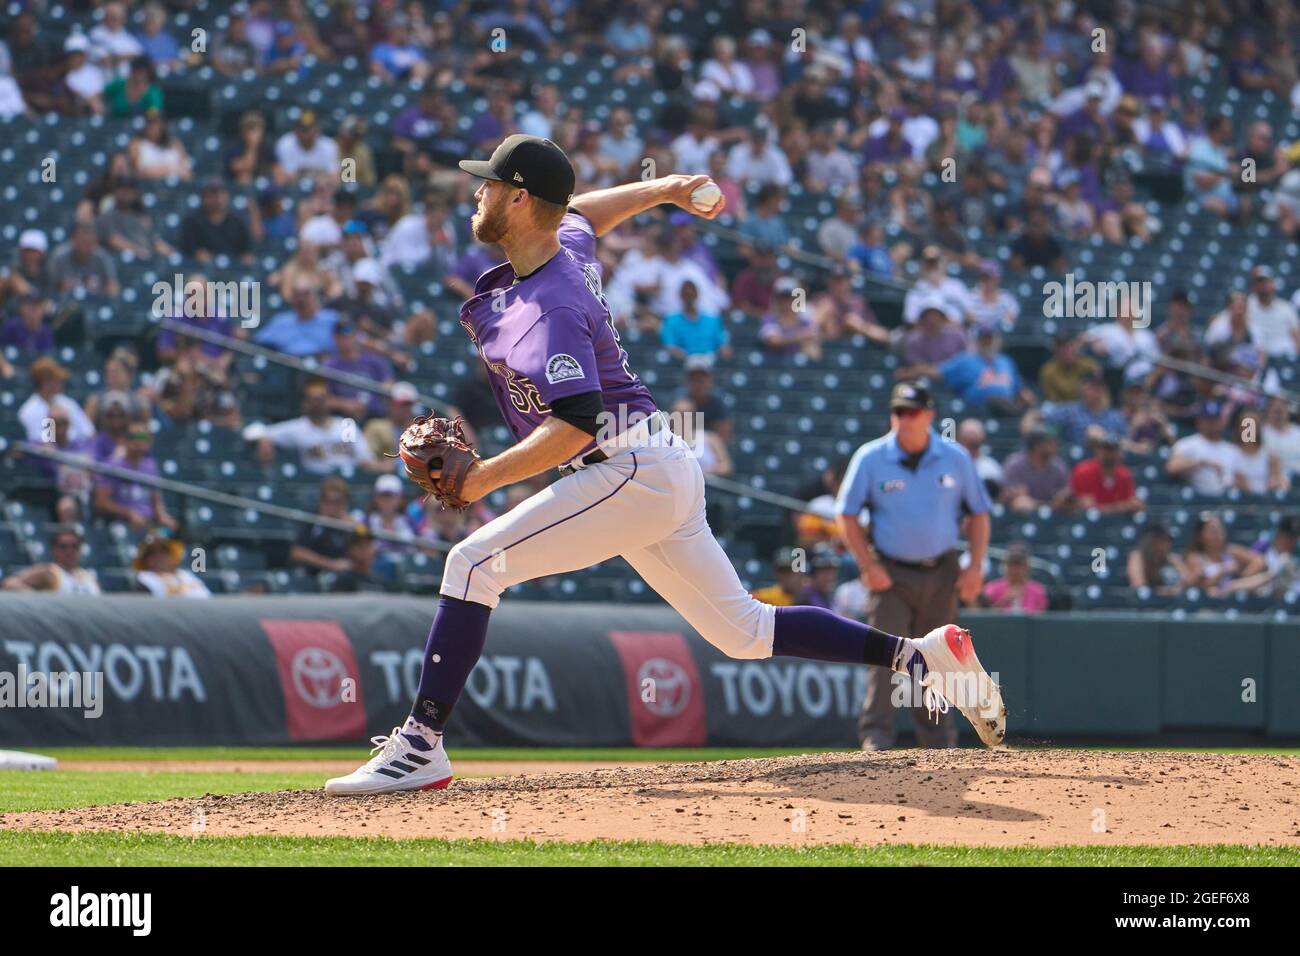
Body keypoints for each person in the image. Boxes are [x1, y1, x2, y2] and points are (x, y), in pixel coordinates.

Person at [326, 136, 1004, 794]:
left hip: (625, 466)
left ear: (522, 199)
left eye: (490, 183)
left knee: (471, 565)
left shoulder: (555, 305)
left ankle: (420, 744)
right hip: (650, 464)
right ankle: (924, 654)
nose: (477, 192)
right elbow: (588, 211)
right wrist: (669, 189)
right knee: (744, 632)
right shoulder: (562, 242)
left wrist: (479, 481)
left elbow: (575, 426)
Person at [834, 380, 995, 752]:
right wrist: (867, 563)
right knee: (885, 656)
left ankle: (940, 744)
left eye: (912, 412)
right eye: (898, 412)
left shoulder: (955, 457)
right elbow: (846, 515)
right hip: (891, 574)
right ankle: (876, 739)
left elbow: (980, 514)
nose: (904, 419)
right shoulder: (871, 457)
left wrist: (975, 568)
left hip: (942, 571)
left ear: (929, 415)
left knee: (940, 661)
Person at [250, 378, 386, 475]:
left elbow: (366, 460)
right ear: (305, 403)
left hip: (347, 483)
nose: (317, 403)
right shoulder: (298, 427)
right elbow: (257, 432)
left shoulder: (346, 426)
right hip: (315, 483)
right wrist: (264, 440)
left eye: (321, 399)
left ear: (329, 400)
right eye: (312, 399)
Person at [1167, 401, 1241, 496]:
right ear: (1199, 420)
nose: (1212, 423)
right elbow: (1171, 467)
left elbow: (1240, 478)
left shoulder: (1233, 449)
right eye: (1208, 419)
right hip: (1196, 499)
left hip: (1226, 499)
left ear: (1222, 421)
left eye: (1215, 419)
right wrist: (1201, 462)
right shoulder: (1187, 443)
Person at [1182, 513, 1266, 597]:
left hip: (1235, 594)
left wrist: (1243, 575)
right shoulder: (1195, 557)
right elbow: (1200, 584)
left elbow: (1258, 560)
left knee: (1263, 578)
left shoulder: (1231, 551)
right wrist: (1223, 570)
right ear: (1200, 536)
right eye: (1212, 531)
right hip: (1208, 602)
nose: (1218, 534)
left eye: (1220, 529)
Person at [1, 526, 101, 595]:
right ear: (54, 549)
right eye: (63, 547)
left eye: (74, 546)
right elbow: (9, 584)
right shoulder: (48, 572)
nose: (69, 551)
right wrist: (38, 598)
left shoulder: (89, 577)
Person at [1070, 431, 1143, 513]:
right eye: (1106, 449)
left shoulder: (1125, 475)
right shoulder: (1082, 471)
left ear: (1120, 453)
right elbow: (1080, 505)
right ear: (1098, 451)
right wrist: (1121, 506)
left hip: (1117, 523)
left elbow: (1133, 504)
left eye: (1113, 450)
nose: (1109, 454)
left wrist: (1103, 508)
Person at [133, 533, 211, 599]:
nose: (160, 556)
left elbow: (206, 596)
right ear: (145, 558)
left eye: (165, 551)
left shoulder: (185, 575)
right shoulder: (145, 578)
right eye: (152, 552)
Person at [980, 542, 1048, 613]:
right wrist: (1003, 601)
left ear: (1026, 567)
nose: (1015, 569)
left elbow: (1041, 616)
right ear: (1005, 565)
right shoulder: (992, 588)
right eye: (1011, 564)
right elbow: (984, 614)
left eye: (1019, 565)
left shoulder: (1037, 590)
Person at [1126, 525, 1188, 595]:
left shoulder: (1171, 558)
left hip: (1169, 601)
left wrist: (1177, 563)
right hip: (1144, 602)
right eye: (1162, 541)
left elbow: (1187, 582)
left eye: (1167, 541)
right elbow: (1139, 585)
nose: (1166, 545)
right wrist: (1165, 591)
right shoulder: (1137, 556)